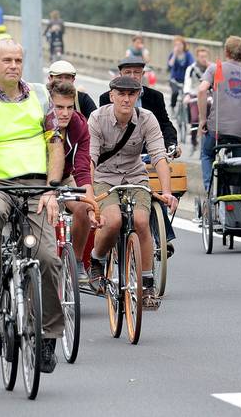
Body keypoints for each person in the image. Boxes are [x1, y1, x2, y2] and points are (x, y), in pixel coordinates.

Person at [0, 38, 64, 374]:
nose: (14, 66)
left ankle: (47, 337)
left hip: (37, 187)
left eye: (18, 59)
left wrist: (52, 189)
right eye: (7, 60)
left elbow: (56, 145)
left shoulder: (40, 96)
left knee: (48, 259)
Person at [87, 76, 179, 310]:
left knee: (141, 221)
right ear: (112, 96)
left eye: (131, 94)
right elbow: (90, 159)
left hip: (135, 176)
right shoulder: (97, 119)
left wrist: (167, 191)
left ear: (138, 96)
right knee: (114, 221)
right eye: (121, 94)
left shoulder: (147, 119)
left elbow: (158, 156)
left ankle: (147, 284)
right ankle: (97, 259)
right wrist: (88, 191)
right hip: (105, 177)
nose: (126, 99)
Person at [198, 36, 241, 194]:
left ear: (226, 51)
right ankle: (237, 193)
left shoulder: (216, 69)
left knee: (207, 154)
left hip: (217, 129)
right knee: (240, 163)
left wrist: (203, 119)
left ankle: (210, 190)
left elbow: (202, 90)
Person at [46, 79, 95, 277]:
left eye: (69, 107)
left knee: (84, 208)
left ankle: (76, 260)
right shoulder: (38, 121)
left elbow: (82, 167)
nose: (65, 113)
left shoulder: (79, 124)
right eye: (59, 107)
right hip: (38, 178)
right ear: (50, 106)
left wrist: (92, 205)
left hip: (65, 176)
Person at [99, 56, 177, 149]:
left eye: (136, 72)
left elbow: (164, 124)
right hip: (119, 149)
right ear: (120, 74)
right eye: (128, 72)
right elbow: (104, 128)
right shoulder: (107, 97)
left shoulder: (156, 97)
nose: (132, 76)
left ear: (143, 73)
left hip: (148, 150)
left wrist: (171, 143)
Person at [167, 35, 193, 113]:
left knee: (188, 95)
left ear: (183, 45)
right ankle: (172, 107)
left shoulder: (188, 54)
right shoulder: (172, 54)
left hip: (185, 80)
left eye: (180, 44)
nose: (178, 47)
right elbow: (169, 66)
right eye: (176, 45)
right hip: (174, 79)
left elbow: (192, 65)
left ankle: (189, 115)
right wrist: (174, 55)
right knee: (175, 93)